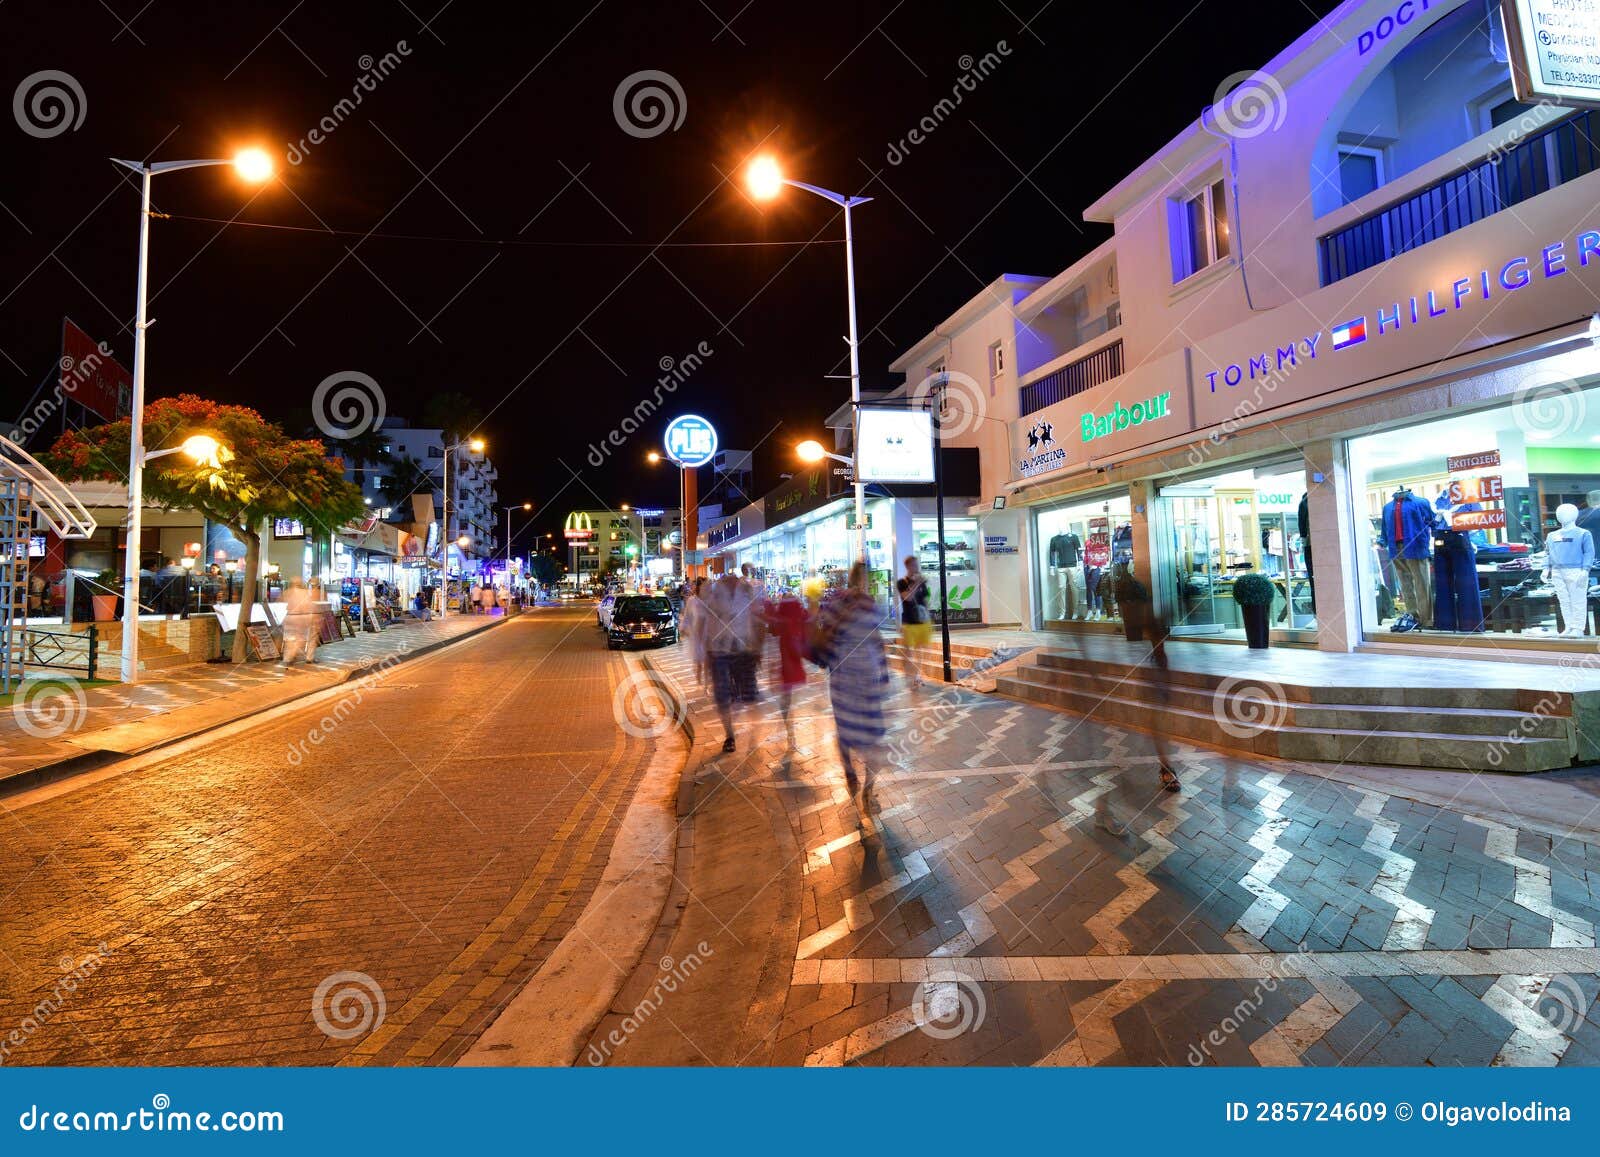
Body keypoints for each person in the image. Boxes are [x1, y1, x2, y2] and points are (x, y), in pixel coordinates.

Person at [815, 561, 890, 803]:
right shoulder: (867, 604)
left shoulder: (838, 604)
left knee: (845, 728)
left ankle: (851, 772)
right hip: (860, 673)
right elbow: (877, 639)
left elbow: (825, 632)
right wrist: (884, 669)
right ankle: (867, 783)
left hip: (844, 672)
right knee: (871, 731)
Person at [702, 571, 760, 753]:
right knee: (722, 695)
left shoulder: (747, 592)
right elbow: (705, 624)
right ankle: (730, 735)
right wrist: (705, 653)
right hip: (719, 651)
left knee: (749, 693)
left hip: (744, 649)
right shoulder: (713, 594)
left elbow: (755, 620)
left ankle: (754, 732)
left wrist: (758, 646)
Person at [764, 586, 810, 748]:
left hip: (786, 663)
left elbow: (770, 622)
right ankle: (789, 730)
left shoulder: (781, 618)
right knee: (789, 699)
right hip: (794, 661)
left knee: (786, 700)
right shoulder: (798, 615)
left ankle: (789, 729)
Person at [896, 555, 933, 689]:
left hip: (922, 622)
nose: (917, 568)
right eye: (914, 565)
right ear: (908, 566)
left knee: (920, 650)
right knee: (908, 652)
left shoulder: (922, 583)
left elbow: (925, 601)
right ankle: (910, 675)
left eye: (917, 565)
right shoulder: (902, 582)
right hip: (909, 622)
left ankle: (917, 676)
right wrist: (917, 583)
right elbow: (908, 598)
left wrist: (928, 616)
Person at [680, 576, 710, 689]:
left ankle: (707, 685)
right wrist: (683, 629)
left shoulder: (710, 601)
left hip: (709, 636)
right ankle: (699, 683)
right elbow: (687, 617)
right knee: (698, 663)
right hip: (696, 636)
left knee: (707, 662)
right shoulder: (692, 601)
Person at [280, 577, 319, 665]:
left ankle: (288, 657)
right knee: (304, 638)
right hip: (301, 618)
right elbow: (308, 606)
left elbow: (280, 600)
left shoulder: (287, 592)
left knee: (290, 638)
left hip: (290, 617)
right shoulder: (305, 593)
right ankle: (304, 657)